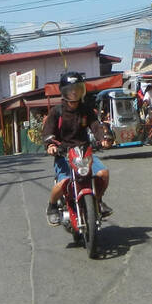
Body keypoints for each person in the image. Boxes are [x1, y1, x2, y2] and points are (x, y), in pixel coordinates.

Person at [43, 71, 114, 227]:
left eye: (77, 88)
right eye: (70, 89)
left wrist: (103, 139)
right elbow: (48, 132)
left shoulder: (86, 110)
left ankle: (98, 200)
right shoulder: (57, 112)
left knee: (103, 173)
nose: (74, 92)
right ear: (64, 91)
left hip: (84, 152)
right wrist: (51, 145)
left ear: (82, 90)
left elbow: (96, 126)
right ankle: (52, 206)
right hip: (64, 154)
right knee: (64, 182)